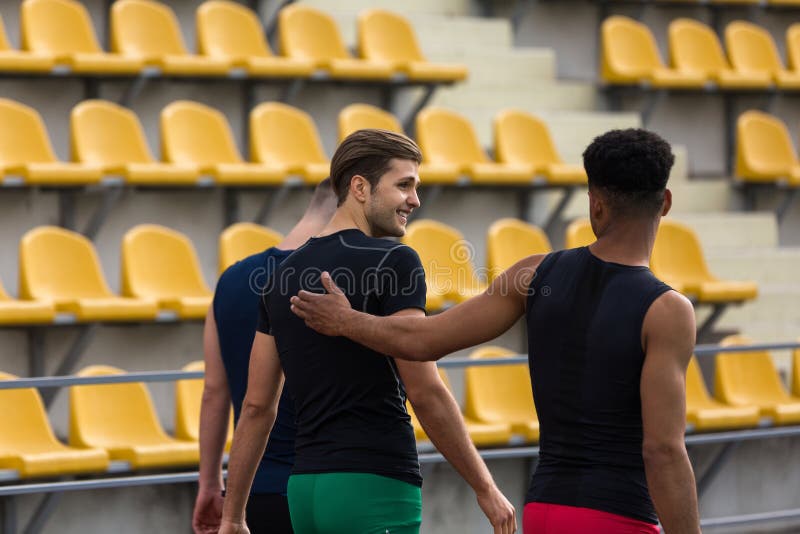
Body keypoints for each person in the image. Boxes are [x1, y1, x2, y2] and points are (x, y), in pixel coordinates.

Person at [290, 129, 702, 534]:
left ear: (595, 205)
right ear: (664, 203)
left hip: (543, 508)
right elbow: (663, 450)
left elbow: (422, 340)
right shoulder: (668, 310)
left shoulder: (533, 273)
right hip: (620, 514)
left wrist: (347, 320)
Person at [219, 129, 516, 534]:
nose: (415, 199)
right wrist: (486, 488)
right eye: (404, 185)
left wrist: (233, 516)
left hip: (305, 491)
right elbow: (425, 391)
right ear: (360, 187)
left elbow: (255, 408)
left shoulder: (278, 276)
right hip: (373, 486)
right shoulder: (396, 261)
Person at [192, 179, 337, 534]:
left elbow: (214, 392)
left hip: (250, 492)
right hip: (321, 488)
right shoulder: (335, 282)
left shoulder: (232, 279)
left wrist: (210, 483)